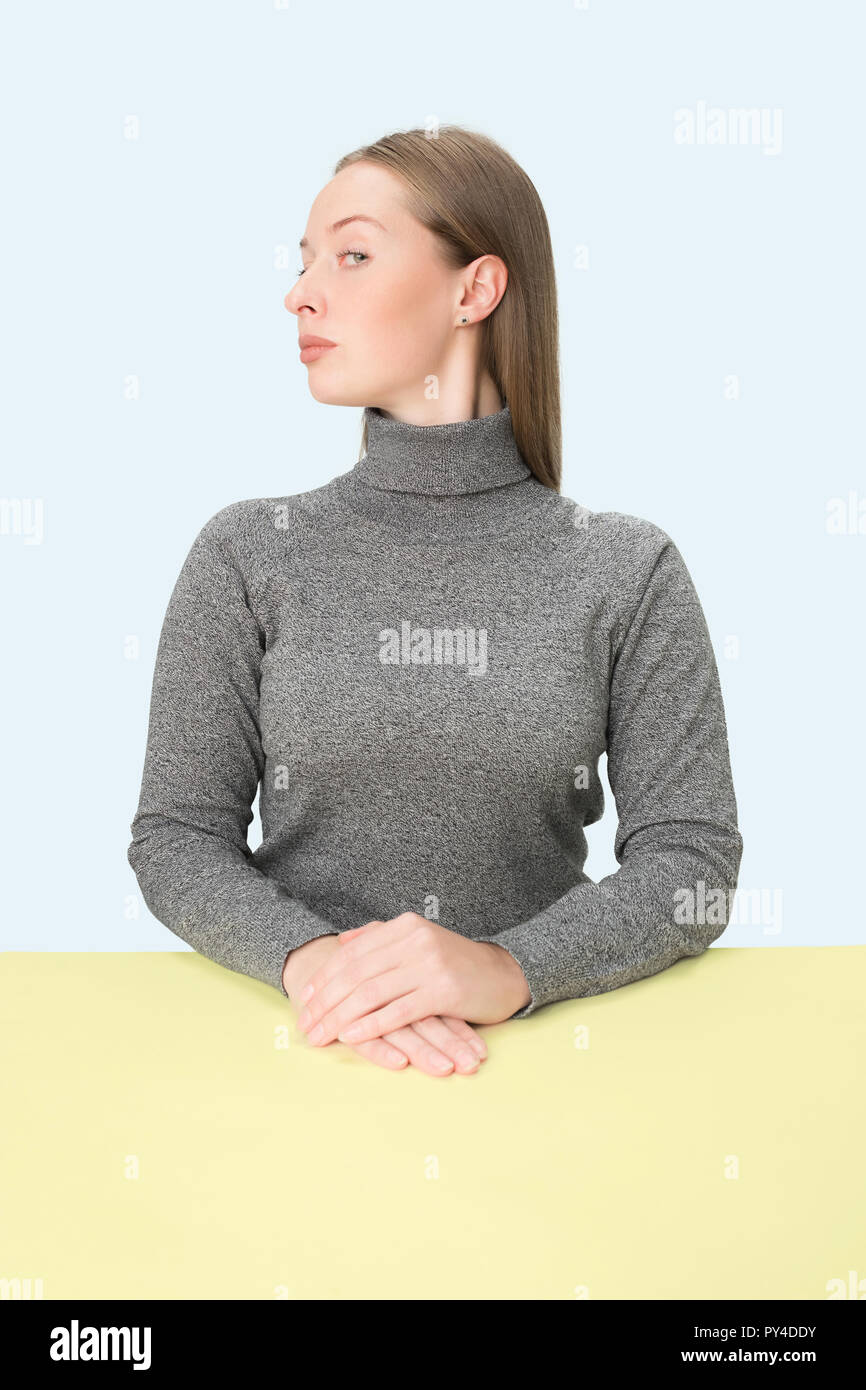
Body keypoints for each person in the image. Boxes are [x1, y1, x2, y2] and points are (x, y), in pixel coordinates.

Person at [127, 125, 743, 1080]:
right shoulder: (247, 553)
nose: (301, 292)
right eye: (305, 262)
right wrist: (320, 967)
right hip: (291, 1067)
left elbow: (693, 861)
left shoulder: (626, 569)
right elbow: (176, 838)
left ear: (475, 290)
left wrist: (507, 968)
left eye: (353, 254)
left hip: (549, 1078)